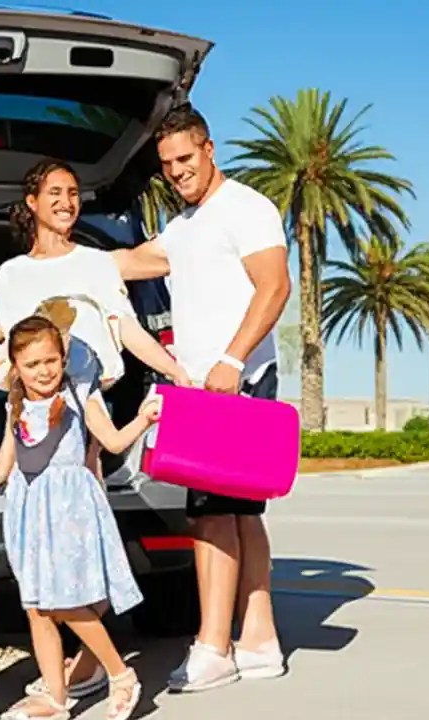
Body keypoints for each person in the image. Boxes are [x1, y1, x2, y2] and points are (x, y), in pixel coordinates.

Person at [111, 104, 292, 692]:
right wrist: (57, 256)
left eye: (185, 159)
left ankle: (213, 647)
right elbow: (134, 261)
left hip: (238, 380)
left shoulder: (246, 207)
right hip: (201, 389)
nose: (176, 172)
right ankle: (260, 638)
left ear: (209, 149)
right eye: (166, 164)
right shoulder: (184, 227)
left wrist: (233, 360)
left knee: (212, 512)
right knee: (240, 510)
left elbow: (276, 285)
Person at [0, 316, 160, 720]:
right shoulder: (16, 406)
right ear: (15, 366)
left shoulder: (78, 396)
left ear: (64, 359)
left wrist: (143, 418)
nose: (44, 371)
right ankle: (55, 695)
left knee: (65, 602)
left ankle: (120, 674)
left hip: (70, 511)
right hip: (29, 515)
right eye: (32, 364)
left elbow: (115, 440)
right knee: (37, 608)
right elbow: (0, 471)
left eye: (52, 360)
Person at [0, 158, 190, 423]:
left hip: (90, 409)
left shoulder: (97, 263)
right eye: (55, 193)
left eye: (73, 193)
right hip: (32, 413)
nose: (67, 202)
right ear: (32, 202)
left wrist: (176, 372)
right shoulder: (13, 274)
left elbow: (127, 330)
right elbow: (6, 356)